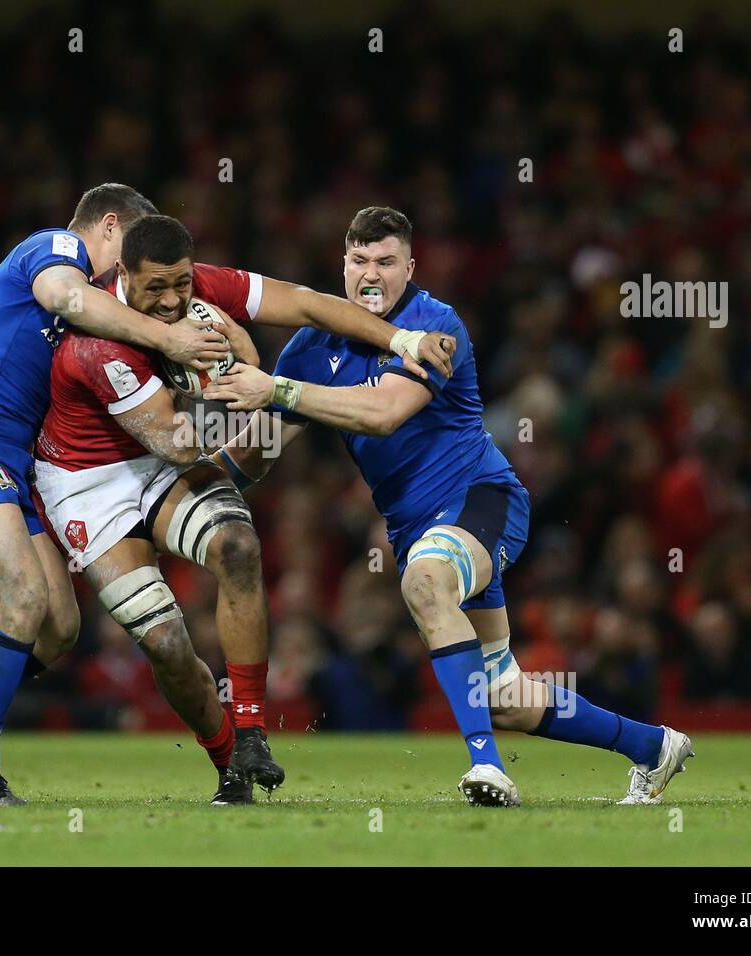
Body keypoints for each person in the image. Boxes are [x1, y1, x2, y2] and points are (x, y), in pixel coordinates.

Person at [204, 206, 694, 806]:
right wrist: (188, 490)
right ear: (344, 266)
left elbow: (383, 414)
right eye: (360, 261)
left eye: (386, 261)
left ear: (410, 267)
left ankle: (488, 770)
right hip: (418, 527)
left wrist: (275, 388)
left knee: (425, 582)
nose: (372, 275)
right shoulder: (310, 347)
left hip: (482, 500)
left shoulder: (434, 326)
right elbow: (261, 451)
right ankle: (652, 747)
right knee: (503, 696)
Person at [33, 214, 454, 802]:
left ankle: (252, 728)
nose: (173, 299)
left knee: (238, 545)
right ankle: (229, 760)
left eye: (181, 283)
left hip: (158, 462)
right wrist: (232, 383)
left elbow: (306, 304)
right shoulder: (98, 343)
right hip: (88, 482)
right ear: (119, 275)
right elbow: (178, 438)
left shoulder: (201, 289)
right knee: (169, 646)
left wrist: (399, 339)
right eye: (155, 287)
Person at [0, 185, 229, 805]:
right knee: (21, 597)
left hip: (9, 468)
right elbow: (67, 295)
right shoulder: (52, 248)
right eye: (127, 257)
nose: (127, 277)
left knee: (57, 629)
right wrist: (171, 340)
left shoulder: (96, 312)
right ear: (109, 226)